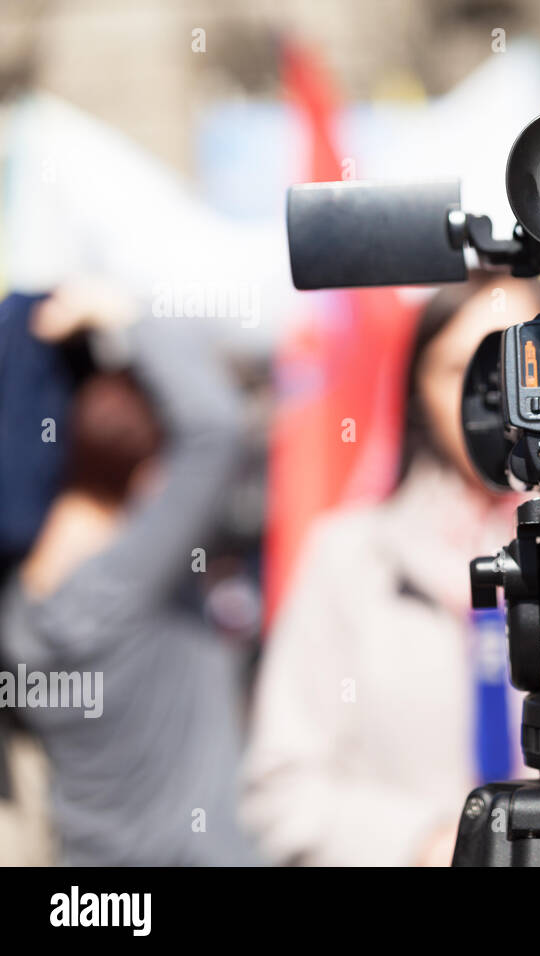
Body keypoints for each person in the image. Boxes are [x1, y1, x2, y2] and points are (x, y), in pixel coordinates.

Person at [241, 275, 540, 866]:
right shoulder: (349, 557)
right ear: (417, 392)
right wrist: (427, 847)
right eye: (461, 370)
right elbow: (282, 790)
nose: (495, 398)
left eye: (520, 366)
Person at [0, 280, 258, 865]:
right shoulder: (129, 579)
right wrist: (124, 315)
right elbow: (215, 429)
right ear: (145, 472)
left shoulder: (16, 608)